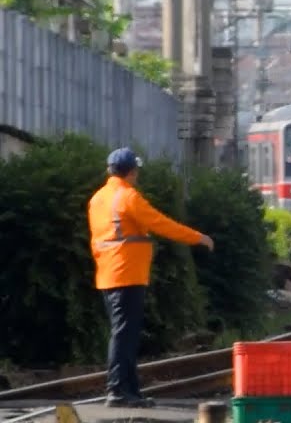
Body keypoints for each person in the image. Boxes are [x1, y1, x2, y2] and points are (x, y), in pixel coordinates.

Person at [87, 148, 214, 408]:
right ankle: (119, 392)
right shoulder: (128, 197)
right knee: (124, 335)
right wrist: (198, 237)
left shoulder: (98, 198)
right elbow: (160, 223)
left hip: (108, 273)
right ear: (132, 171)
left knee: (124, 333)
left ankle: (129, 390)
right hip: (127, 273)